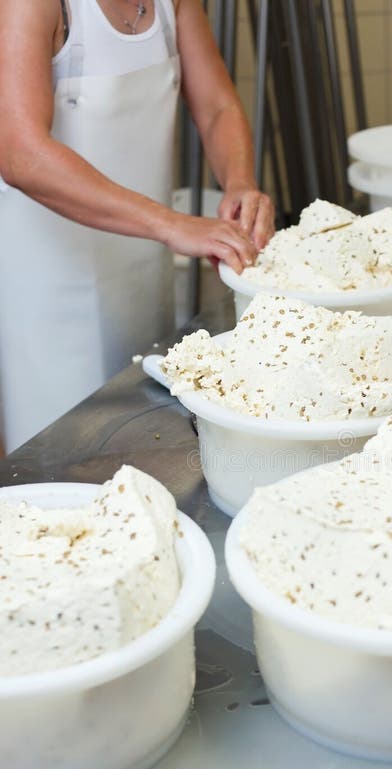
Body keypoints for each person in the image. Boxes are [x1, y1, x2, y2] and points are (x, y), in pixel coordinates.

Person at [0, 0, 274, 453]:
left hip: (143, 275)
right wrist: (172, 224)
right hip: (52, 299)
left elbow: (216, 107)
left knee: (141, 440)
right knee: (63, 457)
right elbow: (20, 154)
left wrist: (240, 182)